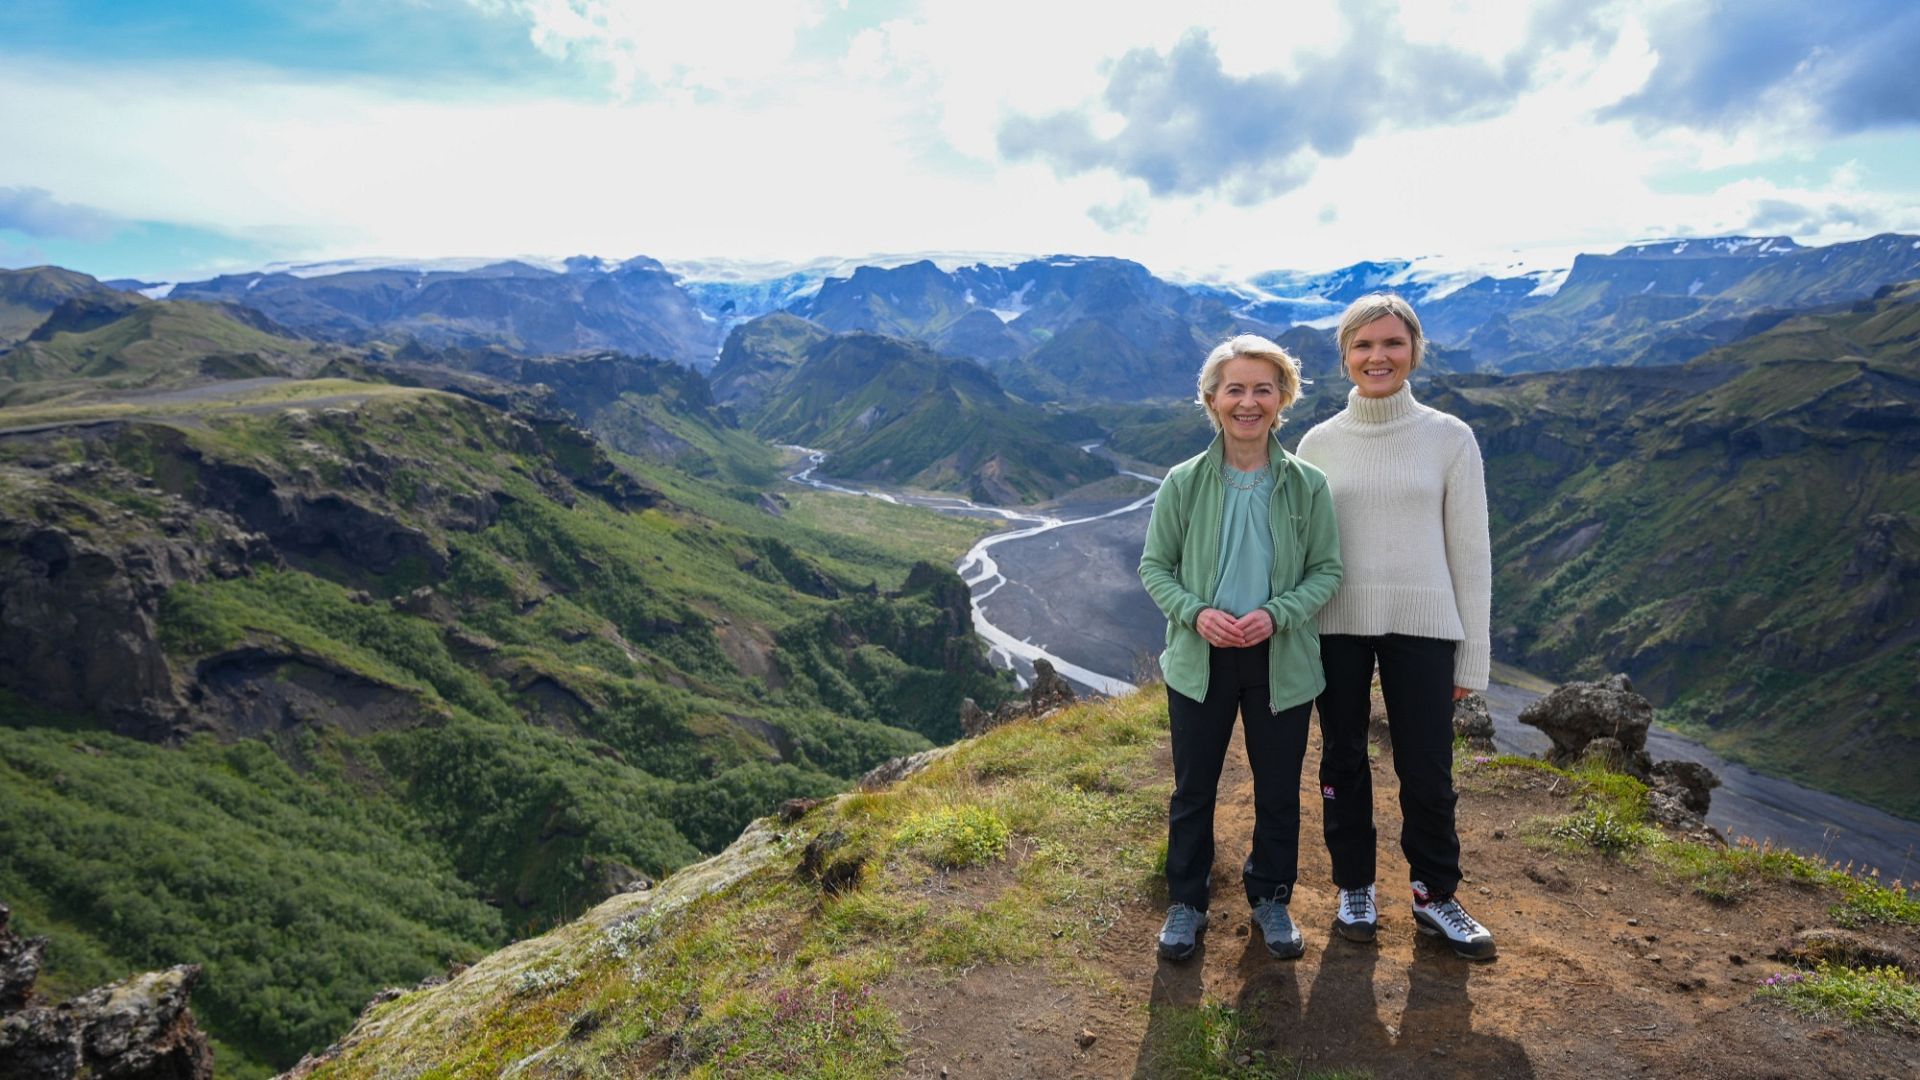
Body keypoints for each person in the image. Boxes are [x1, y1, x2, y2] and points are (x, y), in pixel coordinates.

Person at [1295, 293, 1496, 960]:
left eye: (1392, 344)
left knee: (1428, 769)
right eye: (1363, 345)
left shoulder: (1450, 438)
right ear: (1345, 355)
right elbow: (1300, 546)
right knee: (1342, 759)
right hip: (1336, 623)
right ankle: (1355, 886)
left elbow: (1470, 552)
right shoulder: (1318, 443)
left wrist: (1473, 659)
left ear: (1414, 351)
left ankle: (1435, 895)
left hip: (1425, 625)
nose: (1377, 356)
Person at [1138, 334, 1343, 962]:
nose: (1248, 402)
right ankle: (1187, 901)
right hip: (1200, 661)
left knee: (1278, 785)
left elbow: (1328, 572)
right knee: (1193, 787)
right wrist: (1196, 614)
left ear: (1283, 398)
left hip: (1280, 660)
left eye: (1262, 388)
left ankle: (1271, 897)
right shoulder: (1183, 483)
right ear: (1211, 399)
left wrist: (1277, 615)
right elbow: (1155, 568)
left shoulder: (1308, 484)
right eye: (1235, 389)